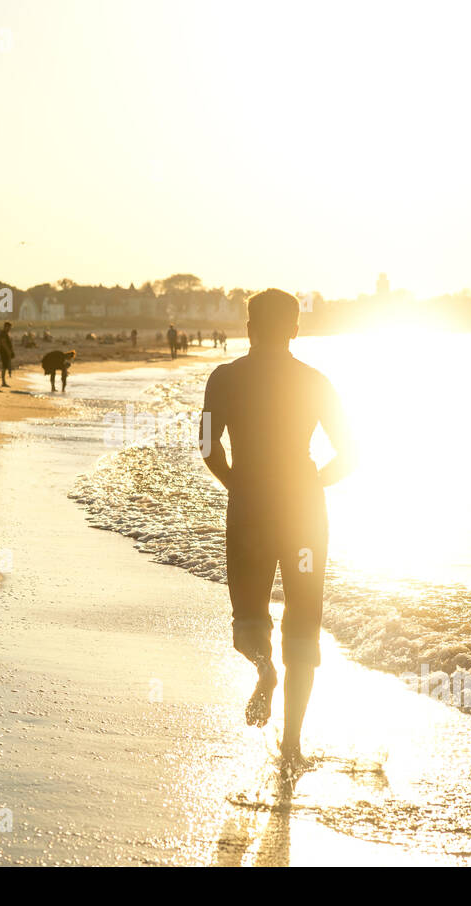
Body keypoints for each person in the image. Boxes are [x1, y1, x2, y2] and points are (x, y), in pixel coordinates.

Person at [199, 288, 356, 770]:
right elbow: (352, 453)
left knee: (248, 617)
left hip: (249, 508)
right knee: (303, 626)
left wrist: (238, 485)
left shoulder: (224, 379)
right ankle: (292, 744)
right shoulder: (315, 381)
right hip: (305, 511)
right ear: (294, 328)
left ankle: (263, 671)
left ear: (249, 328)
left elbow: (207, 445)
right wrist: (313, 483)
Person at [0, 321, 15, 387]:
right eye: (9, 327)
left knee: (5, 366)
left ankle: (4, 381)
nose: (10, 329)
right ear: (6, 326)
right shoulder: (3, 333)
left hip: (6, 352)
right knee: (4, 366)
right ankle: (3, 382)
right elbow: (3, 343)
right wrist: (9, 352)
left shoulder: (6, 333)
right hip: (4, 352)